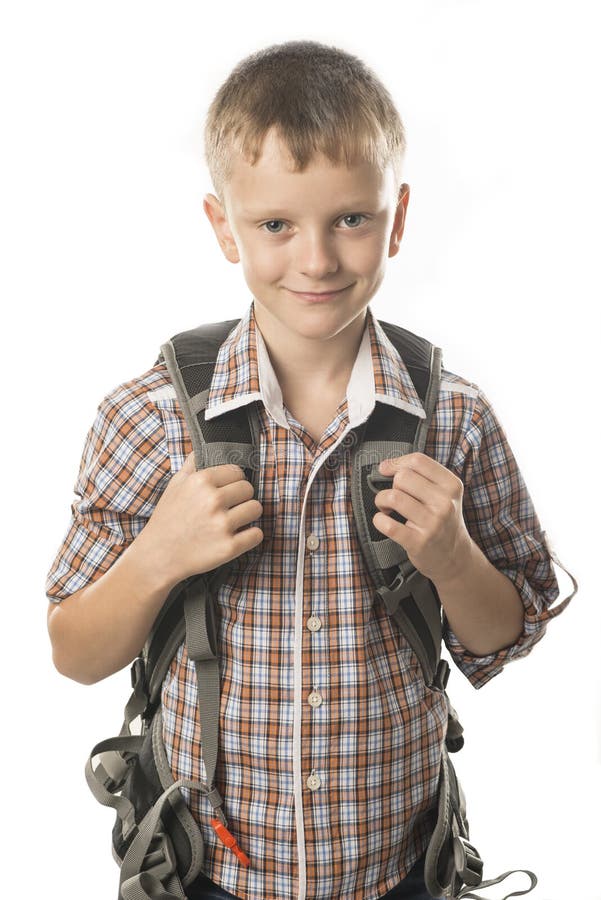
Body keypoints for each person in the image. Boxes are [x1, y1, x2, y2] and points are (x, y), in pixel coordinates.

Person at [45, 40, 573, 900]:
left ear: (396, 218)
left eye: (350, 220)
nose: (317, 260)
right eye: (276, 224)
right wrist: (157, 556)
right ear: (225, 226)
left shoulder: (454, 416)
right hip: (204, 871)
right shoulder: (147, 417)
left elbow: (502, 631)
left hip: (398, 866)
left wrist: (452, 560)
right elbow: (73, 651)